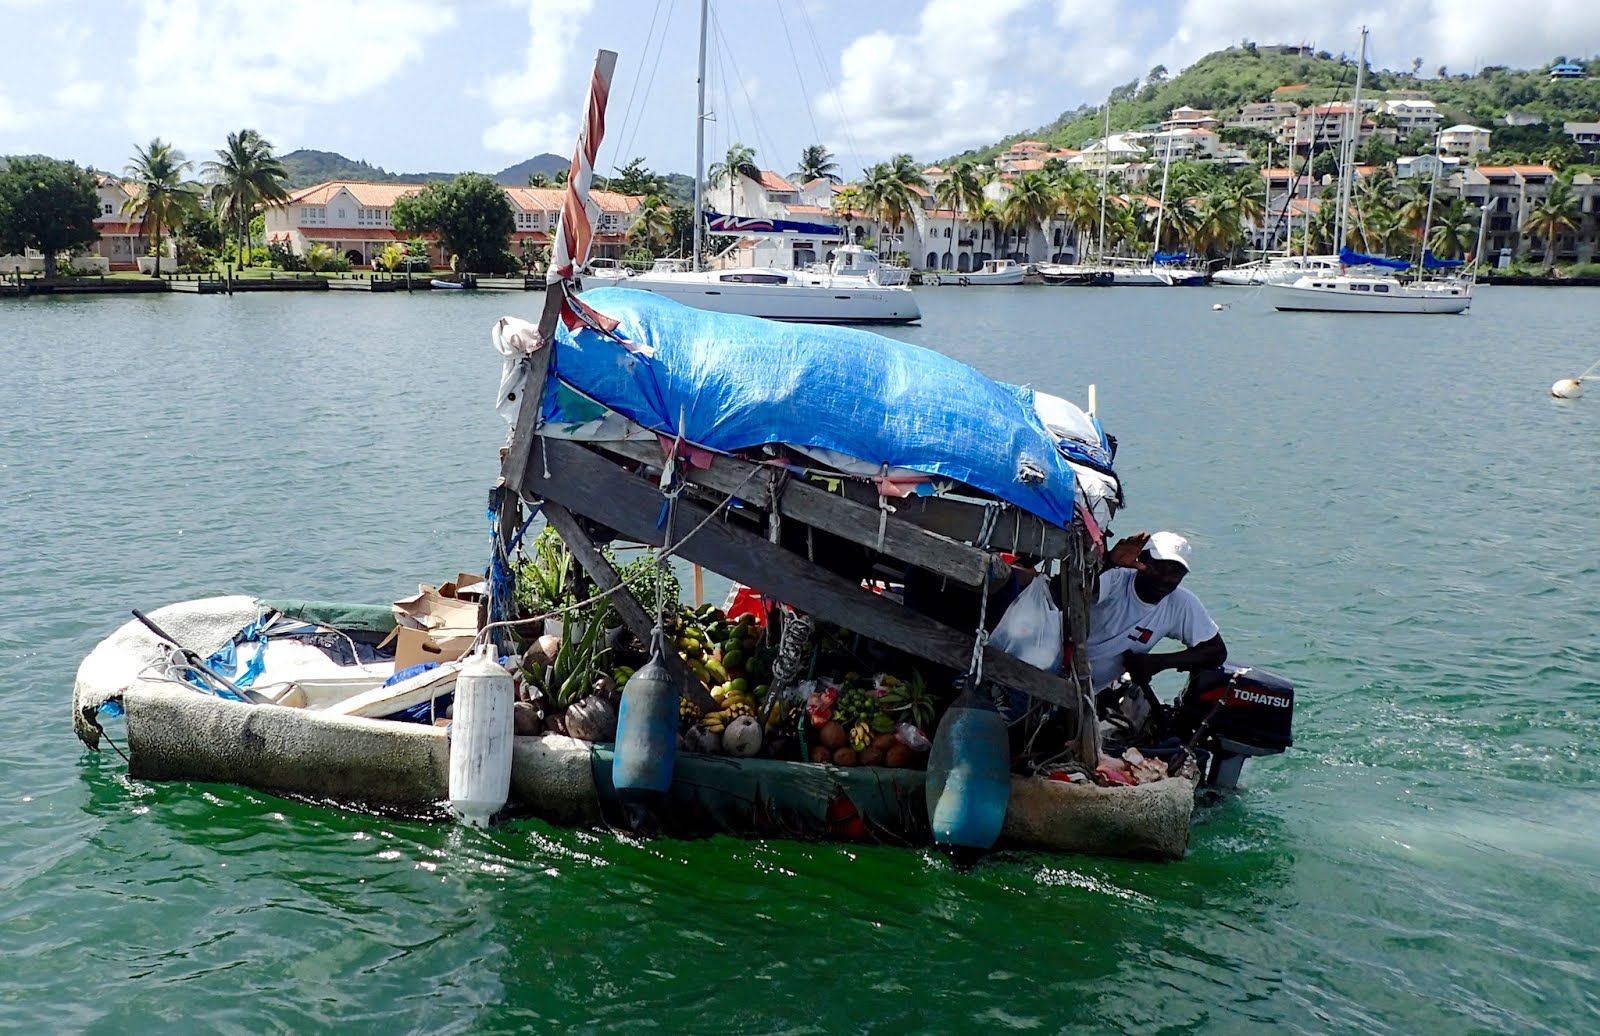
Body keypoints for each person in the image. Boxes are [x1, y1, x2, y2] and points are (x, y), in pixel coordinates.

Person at [1087, 530, 1226, 701]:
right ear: (1141, 560)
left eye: (1175, 572)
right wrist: (1108, 563)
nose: (1165, 579)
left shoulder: (1181, 603)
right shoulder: (1115, 578)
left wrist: (1159, 662)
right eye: (1159, 568)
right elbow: (1074, 594)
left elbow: (1216, 651)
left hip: (1089, 692)